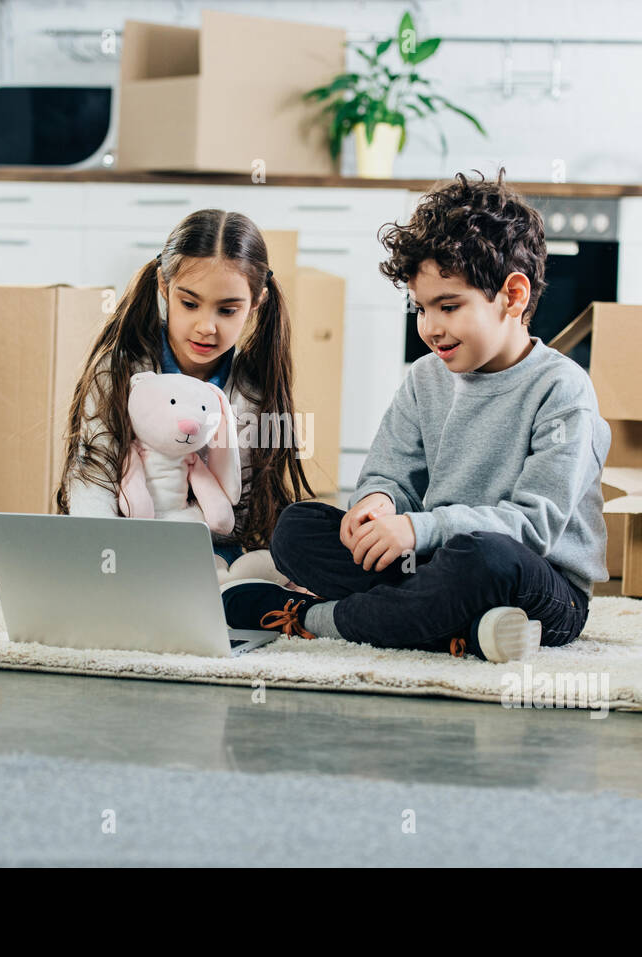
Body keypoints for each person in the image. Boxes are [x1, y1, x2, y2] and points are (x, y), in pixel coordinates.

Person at [222, 170, 611, 663]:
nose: (431, 328)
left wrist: (418, 529)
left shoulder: (563, 390)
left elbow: (532, 528)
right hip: (430, 561)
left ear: (512, 296)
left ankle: (311, 619)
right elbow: (389, 472)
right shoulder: (427, 378)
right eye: (420, 309)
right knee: (296, 529)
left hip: (538, 582)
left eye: (448, 306)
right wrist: (378, 504)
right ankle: (461, 631)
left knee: (481, 559)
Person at [56, 208, 315, 572]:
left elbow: (236, 516)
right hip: (119, 545)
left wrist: (183, 531)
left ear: (256, 303)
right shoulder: (118, 371)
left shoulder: (253, 394)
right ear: (164, 286)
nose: (206, 327)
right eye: (189, 304)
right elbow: (92, 480)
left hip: (207, 549)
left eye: (227, 310)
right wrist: (103, 555)